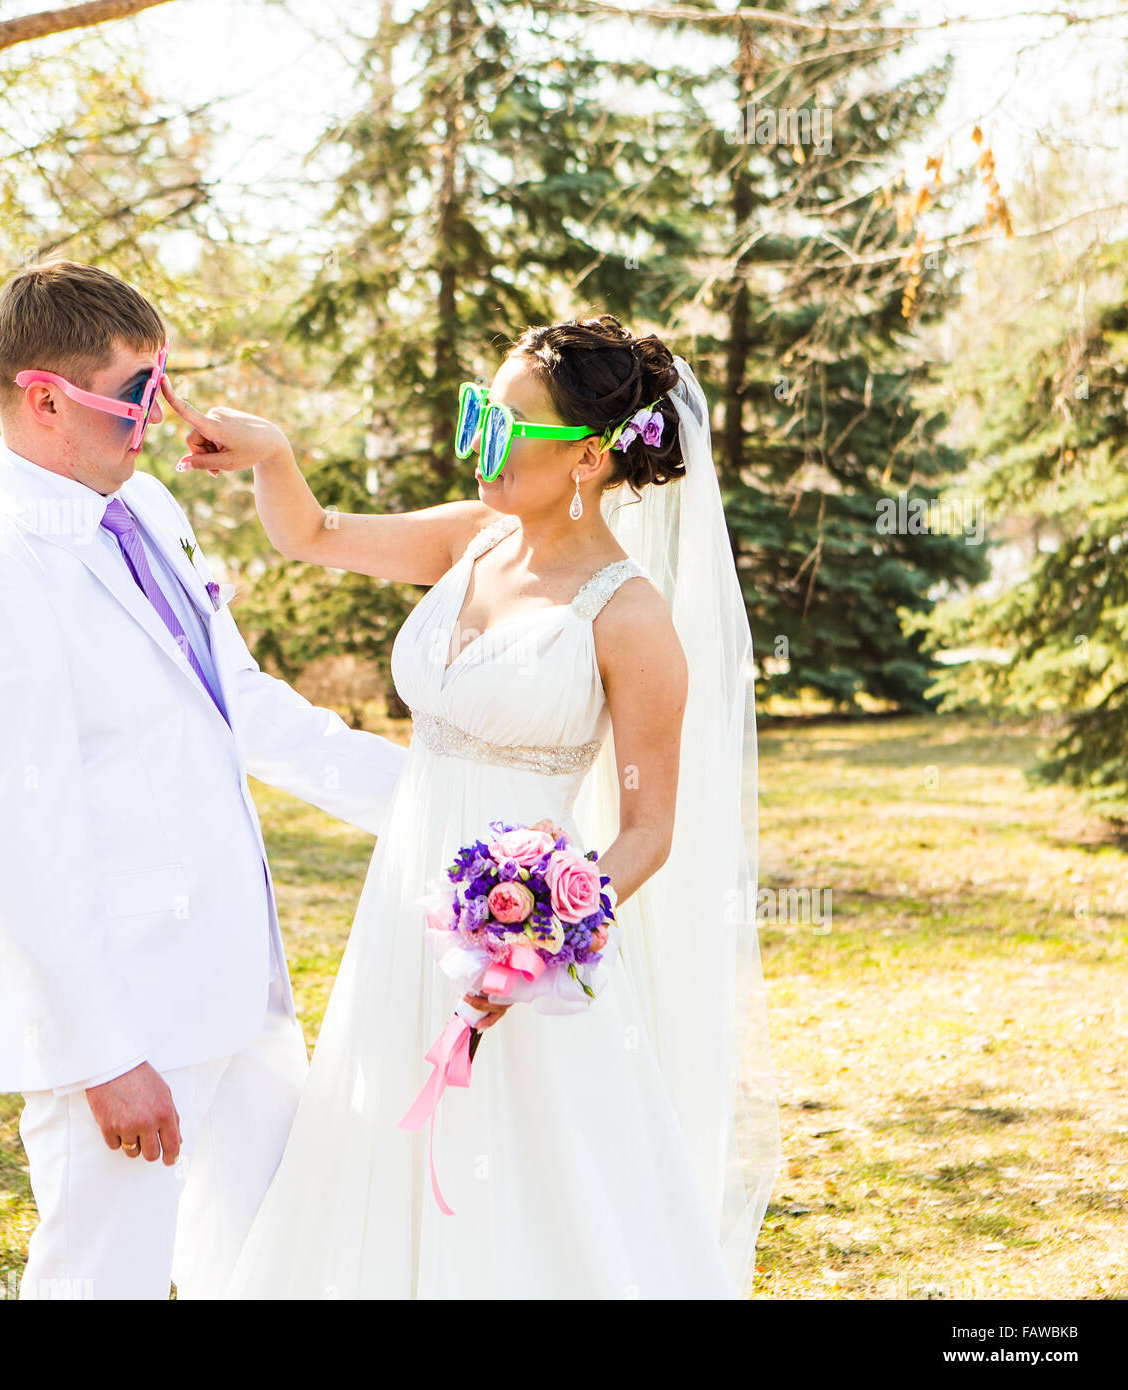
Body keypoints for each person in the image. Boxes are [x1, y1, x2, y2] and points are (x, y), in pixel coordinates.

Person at [163, 313, 781, 1298]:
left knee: (539, 1181)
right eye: (479, 414)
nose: (482, 442)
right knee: (382, 1147)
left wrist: (539, 932)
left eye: (510, 424)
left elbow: (649, 829)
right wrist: (271, 452)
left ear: (586, 454)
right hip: (404, 908)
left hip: (519, 941)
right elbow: (314, 535)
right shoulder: (472, 539)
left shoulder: (630, 615)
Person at [0, 259, 410, 1300]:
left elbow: (249, 708)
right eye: (136, 392)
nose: (161, 415)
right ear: (44, 399)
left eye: (164, 380)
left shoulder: (151, 507)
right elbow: (15, 836)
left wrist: (439, 798)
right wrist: (103, 1054)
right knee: (104, 1284)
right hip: (125, 1022)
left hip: (245, 993)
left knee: (283, 1267)